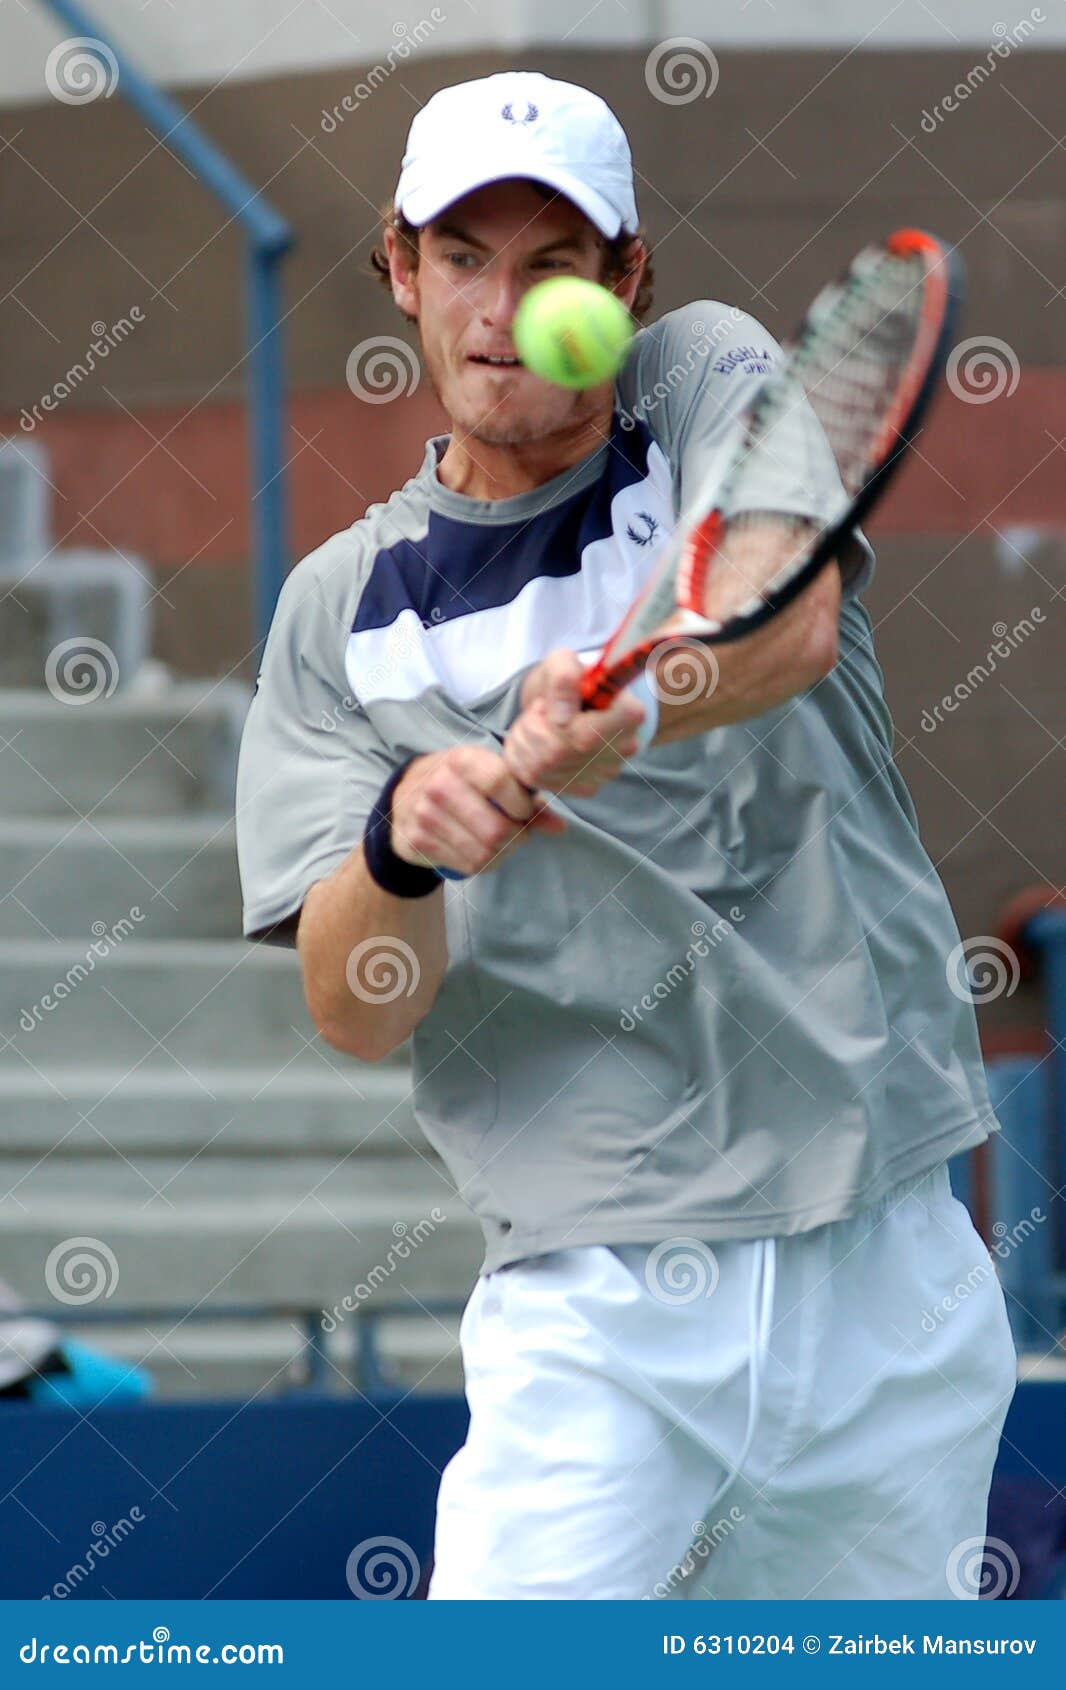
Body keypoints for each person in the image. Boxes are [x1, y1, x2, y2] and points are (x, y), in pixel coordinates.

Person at [235, 70, 1016, 1599]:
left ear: (625, 280)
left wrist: (632, 708)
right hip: (592, 1294)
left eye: (552, 266)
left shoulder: (698, 381)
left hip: (883, 1248)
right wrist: (402, 850)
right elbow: (348, 1003)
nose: (504, 308)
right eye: (464, 258)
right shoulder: (337, 611)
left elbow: (779, 626)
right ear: (400, 268)